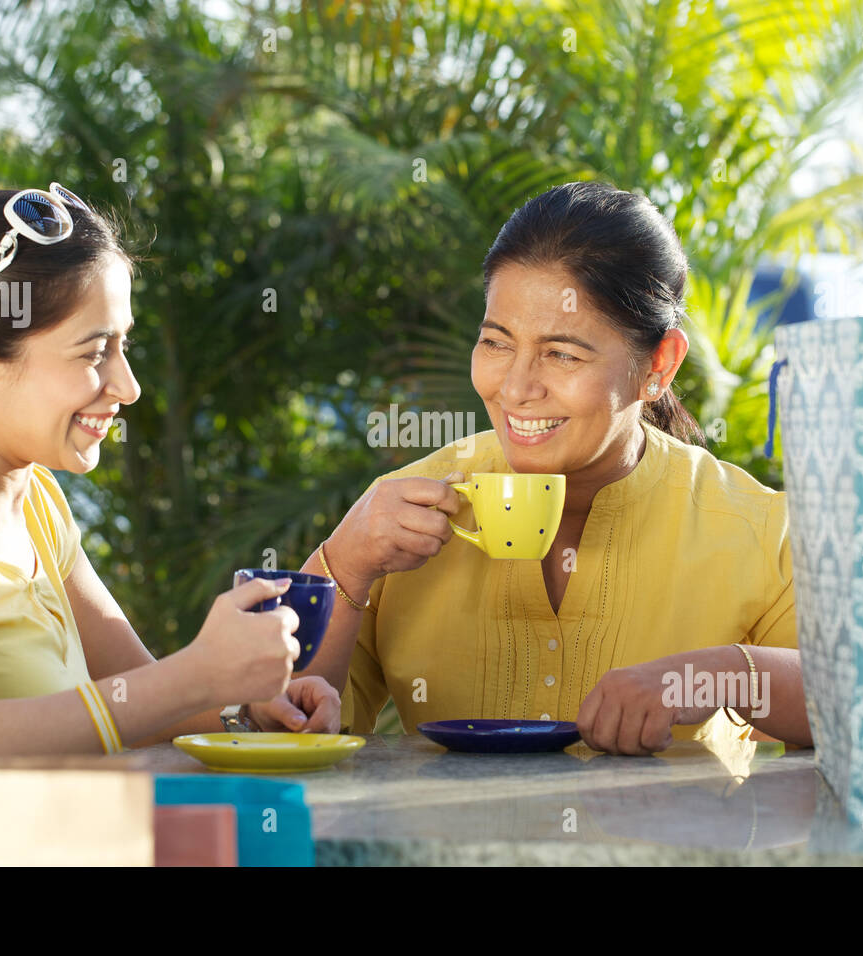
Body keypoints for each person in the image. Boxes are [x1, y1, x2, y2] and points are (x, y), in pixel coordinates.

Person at [0, 184, 338, 764]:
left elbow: (139, 696)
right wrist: (195, 677)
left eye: (123, 346)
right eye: (93, 352)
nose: (127, 387)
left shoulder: (35, 503)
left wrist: (245, 704)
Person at [298, 181, 811, 754]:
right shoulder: (403, 509)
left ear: (658, 364)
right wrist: (342, 564)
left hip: (669, 847)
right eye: (496, 343)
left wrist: (713, 674)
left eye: (562, 354)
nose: (516, 388)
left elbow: (861, 707)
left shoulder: (758, 529)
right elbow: (285, 725)